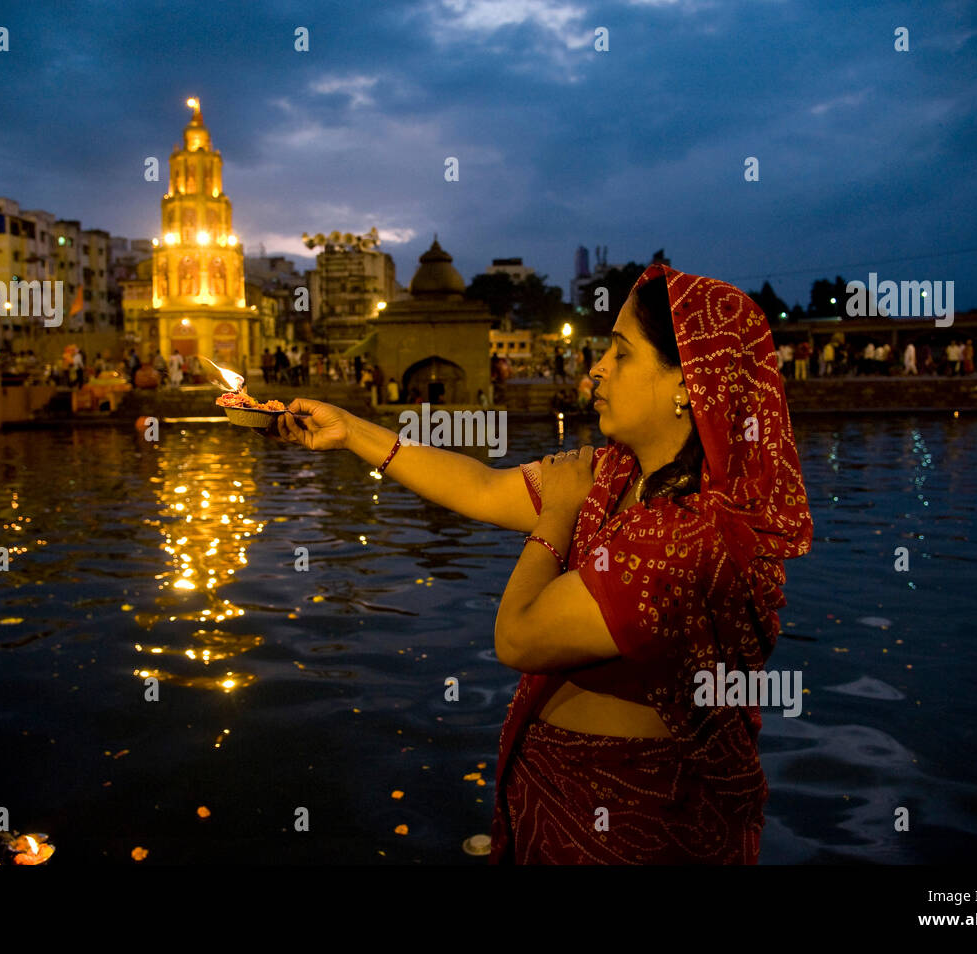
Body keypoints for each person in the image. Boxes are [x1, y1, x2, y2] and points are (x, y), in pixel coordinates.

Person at [268, 264, 813, 863]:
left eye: (621, 353)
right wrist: (351, 433)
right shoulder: (613, 476)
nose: (596, 368)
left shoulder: (687, 537)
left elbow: (518, 637)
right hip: (552, 792)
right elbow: (479, 486)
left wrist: (556, 516)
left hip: (629, 818)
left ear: (690, 383)